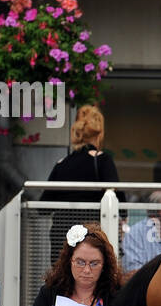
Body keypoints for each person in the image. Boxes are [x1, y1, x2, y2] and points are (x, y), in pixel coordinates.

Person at [40, 105, 124, 261]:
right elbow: (120, 202)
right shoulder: (102, 160)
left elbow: (43, 208)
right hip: (93, 239)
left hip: (62, 239)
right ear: (99, 135)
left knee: (63, 283)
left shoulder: (62, 164)